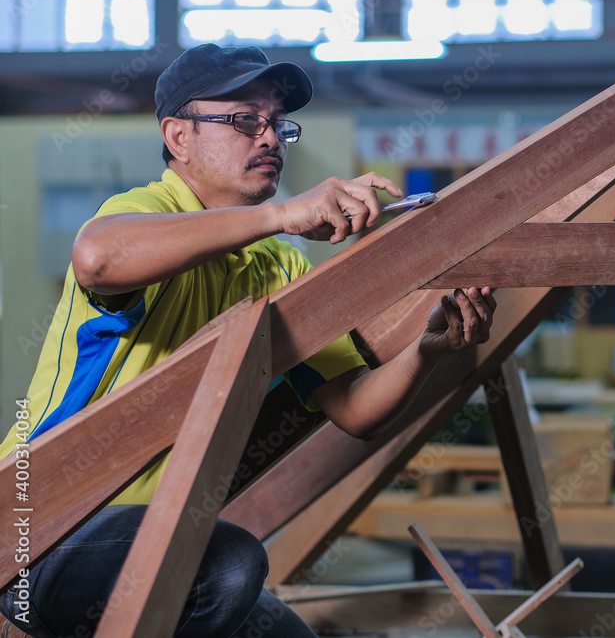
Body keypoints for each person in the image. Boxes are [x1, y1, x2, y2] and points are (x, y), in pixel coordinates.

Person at [0, 44, 496, 637]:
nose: (270, 138)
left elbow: (355, 410)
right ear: (178, 137)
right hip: (38, 530)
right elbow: (97, 258)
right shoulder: (146, 211)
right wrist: (282, 215)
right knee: (229, 566)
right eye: (243, 120)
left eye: (277, 124)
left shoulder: (278, 267)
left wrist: (428, 348)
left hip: (162, 536)